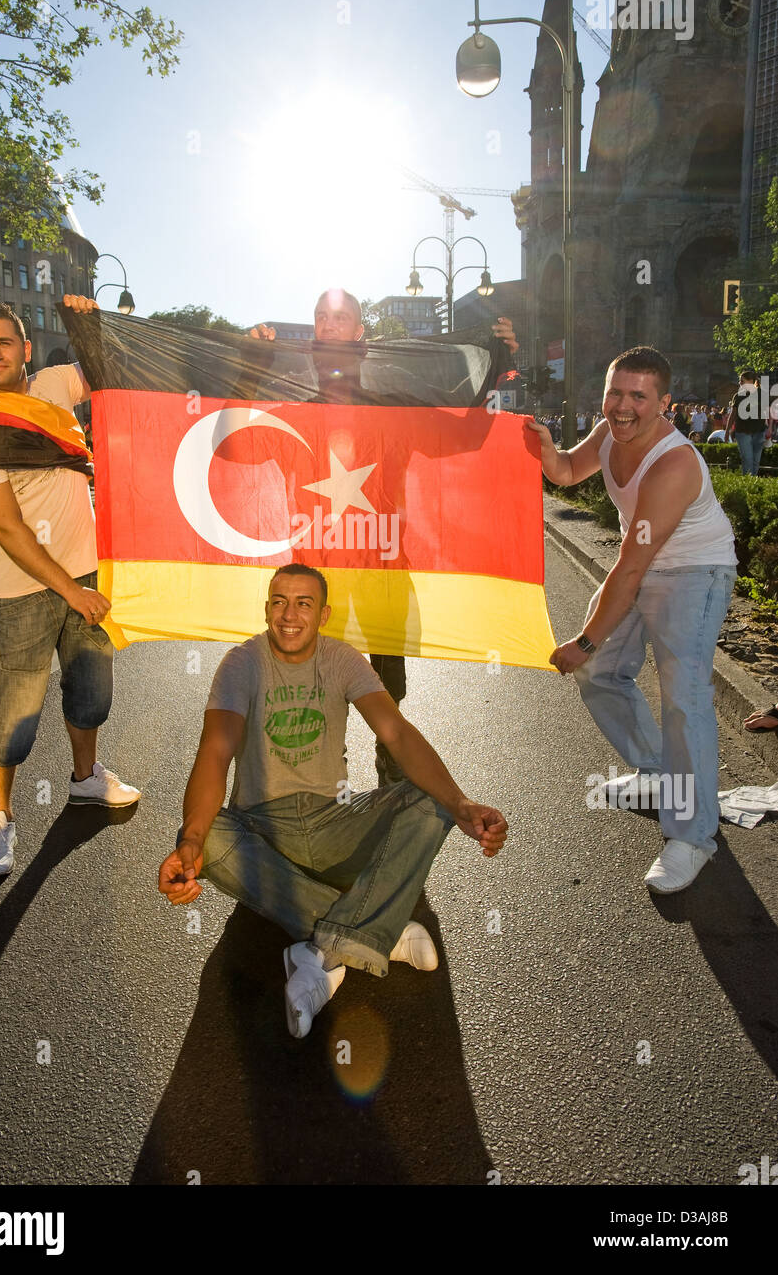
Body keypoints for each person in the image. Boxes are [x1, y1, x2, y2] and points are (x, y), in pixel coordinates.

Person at [157, 563, 508, 1038]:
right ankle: (378, 935)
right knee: (207, 838)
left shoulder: (342, 659)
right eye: (279, 601)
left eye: (303, 603)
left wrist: (461, 803)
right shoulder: (241, 663)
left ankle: (319, 952)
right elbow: (215, 751)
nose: (289, 614)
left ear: (322, 615)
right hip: (262, 832)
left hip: (333, 824)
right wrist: (194, 838)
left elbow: (397, 734)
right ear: (265, 609)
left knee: (431, 801)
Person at [250, 289, 518, 785]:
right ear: (313, 336)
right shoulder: (292, 414)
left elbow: (468, 435)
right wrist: (249, 364)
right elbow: (231, 449)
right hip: (316, 575)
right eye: (321, 318)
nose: (330, 325)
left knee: (387, 686)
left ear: (360, 336)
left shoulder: (397, 412)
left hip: (384, 568)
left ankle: (391, 779)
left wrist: (498, 359)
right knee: (312, 681)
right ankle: (324, 779)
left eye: (341, 317)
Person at [527, 346, 737, 894]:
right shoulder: (610, 429)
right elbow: (570, 471)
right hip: (641, 564)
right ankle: (659, 772)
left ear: (664, 403)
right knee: (600, 673)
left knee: (684, 697)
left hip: (694, 573)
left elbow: (630, 567)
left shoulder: (673, 462)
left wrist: (586, 640)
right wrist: (548, 451)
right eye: (615, 392)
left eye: (638, 396)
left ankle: (694, 836)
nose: (622, 406)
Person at [0, 299, 139, 879]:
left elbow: (117, 369)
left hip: (87, 576)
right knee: (12, 715)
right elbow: (8, 529)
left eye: (4, 342)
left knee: (90, 695)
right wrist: (72, 591)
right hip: (19, 593)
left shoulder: (55, 384)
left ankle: (85, 780)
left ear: (25, 348)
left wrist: (91, 322)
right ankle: (0, 819)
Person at [727, 370, 767, 476]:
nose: (740, 382)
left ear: (750, 381)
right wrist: (727, 431)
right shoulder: (738, 395)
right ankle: (748, 484)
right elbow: (732, 415)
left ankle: (752, 485)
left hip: (759, 431)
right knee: (747, 459)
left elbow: (767, 412)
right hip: (742, 432)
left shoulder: (762, 394)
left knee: (755, 461)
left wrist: (770, 428)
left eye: (742, 380)